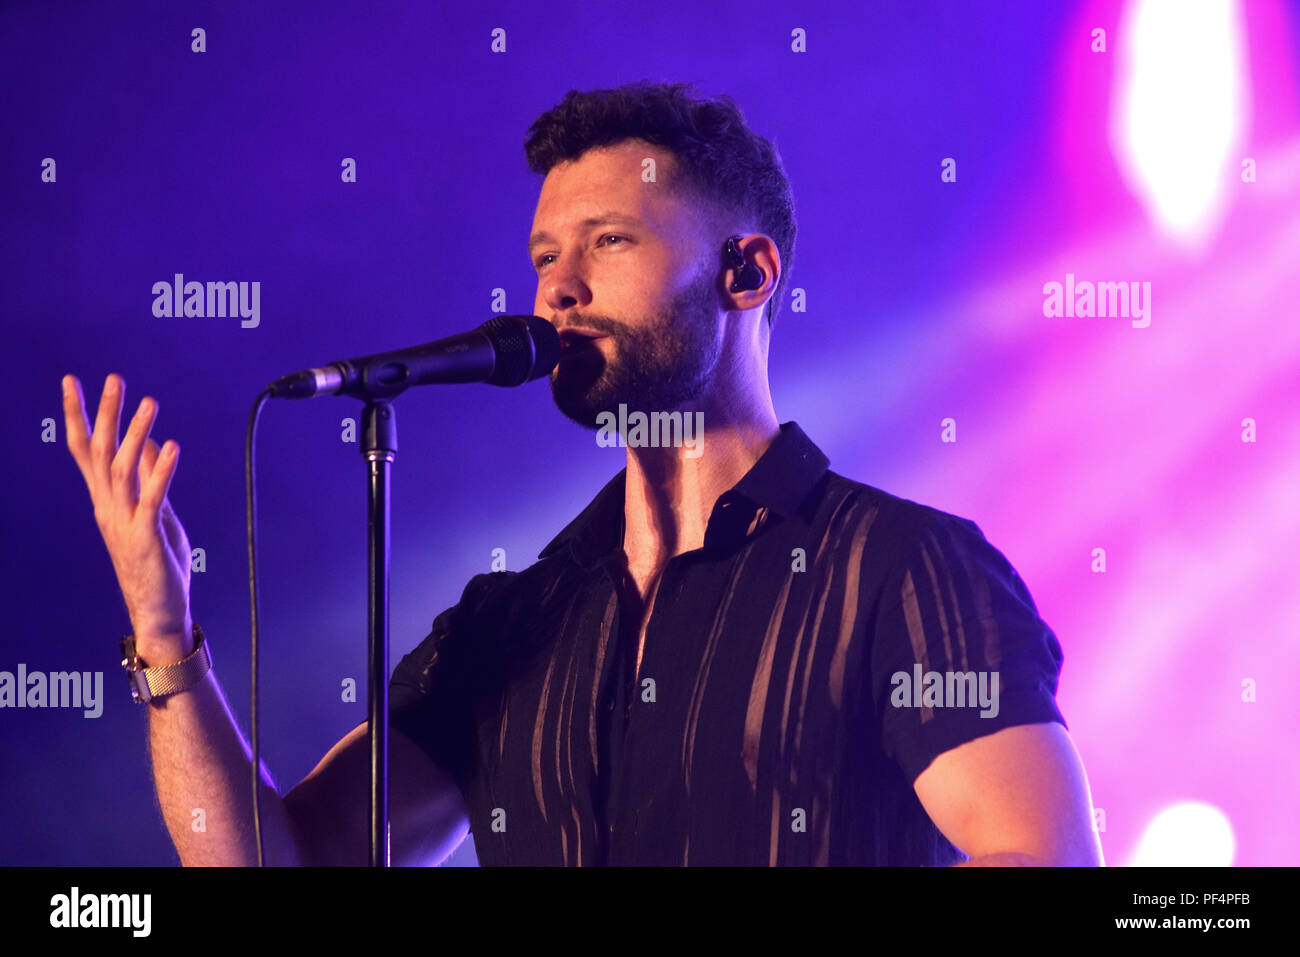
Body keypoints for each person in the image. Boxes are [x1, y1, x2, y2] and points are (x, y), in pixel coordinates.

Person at [63, 80, 1103, 866]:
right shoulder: (516, 621)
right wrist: (165, 639)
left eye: (609, 241)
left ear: (745, 274)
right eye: (543, 255)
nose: (556, 288)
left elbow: (1040, 853)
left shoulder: (899, 568)